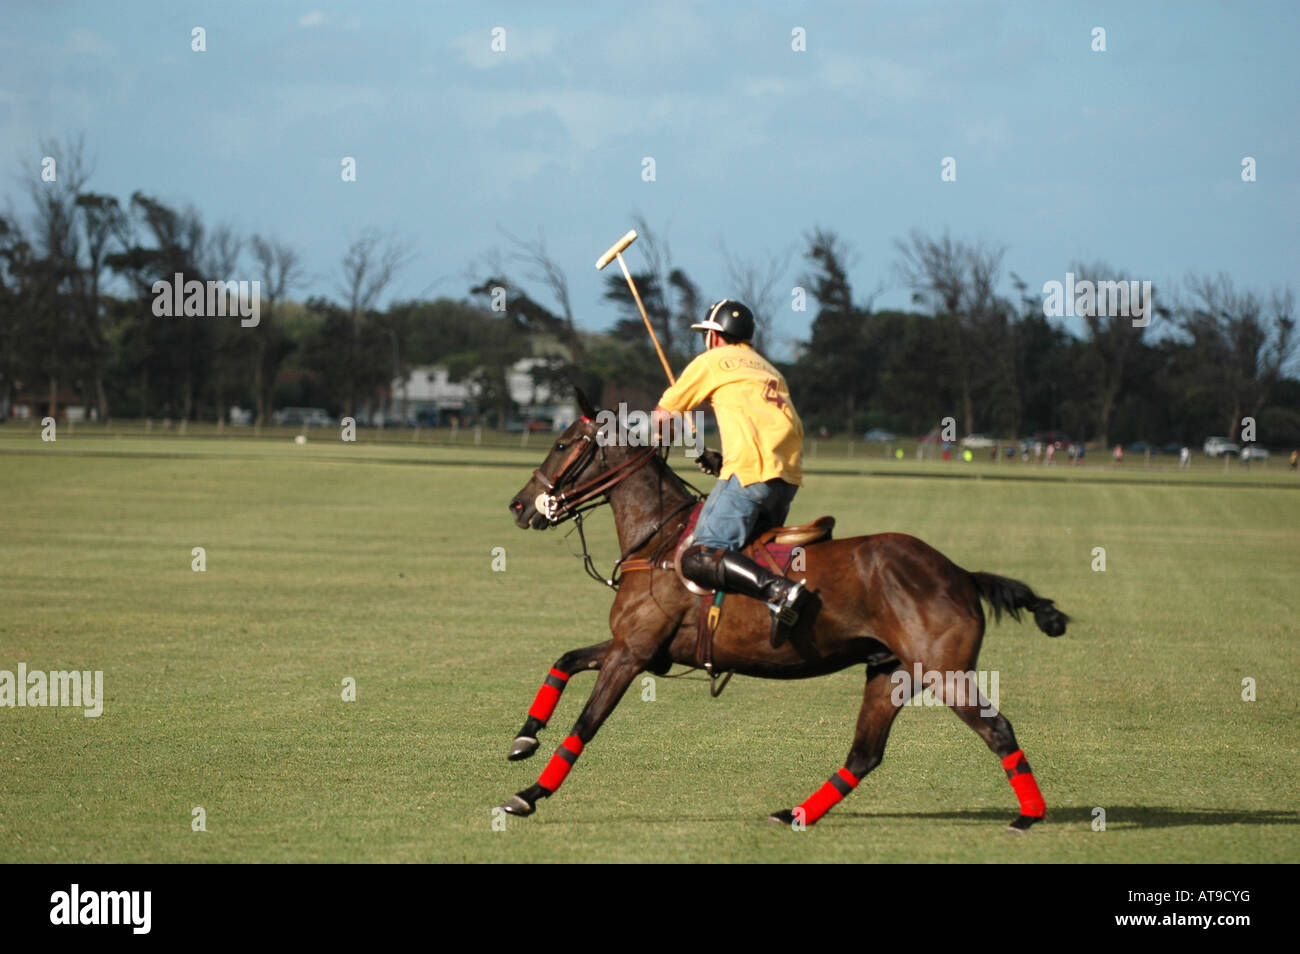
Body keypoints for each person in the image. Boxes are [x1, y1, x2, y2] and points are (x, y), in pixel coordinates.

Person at [652, 299, 813, 648]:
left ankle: (782, 593)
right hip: (786, 479)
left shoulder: (712, 361)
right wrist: (719, 458)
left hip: (750, 473)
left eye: (705, 335)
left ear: (715, 336)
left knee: (699, 556)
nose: (704, 343)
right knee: (744, 558)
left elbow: (662, 421)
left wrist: (660, 433)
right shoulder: (768, 369)